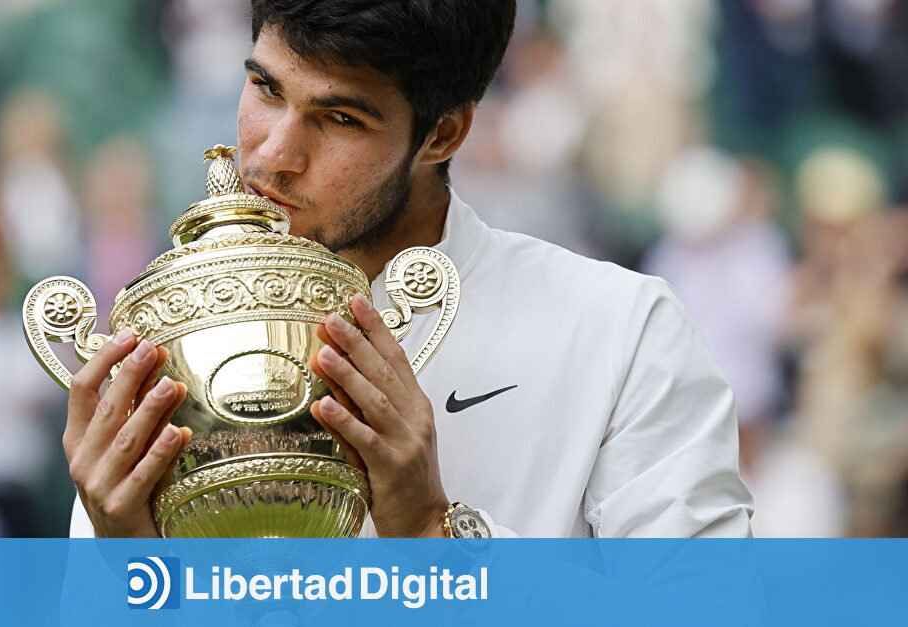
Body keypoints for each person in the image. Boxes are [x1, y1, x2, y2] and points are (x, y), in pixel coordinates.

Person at [64, 0, 753, 539]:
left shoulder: (622, 331)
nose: (273, 155)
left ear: (444, 134)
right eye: (265, 88)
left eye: (338, 117)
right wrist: (133, 569)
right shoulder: (173, 332)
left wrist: (433, 532)